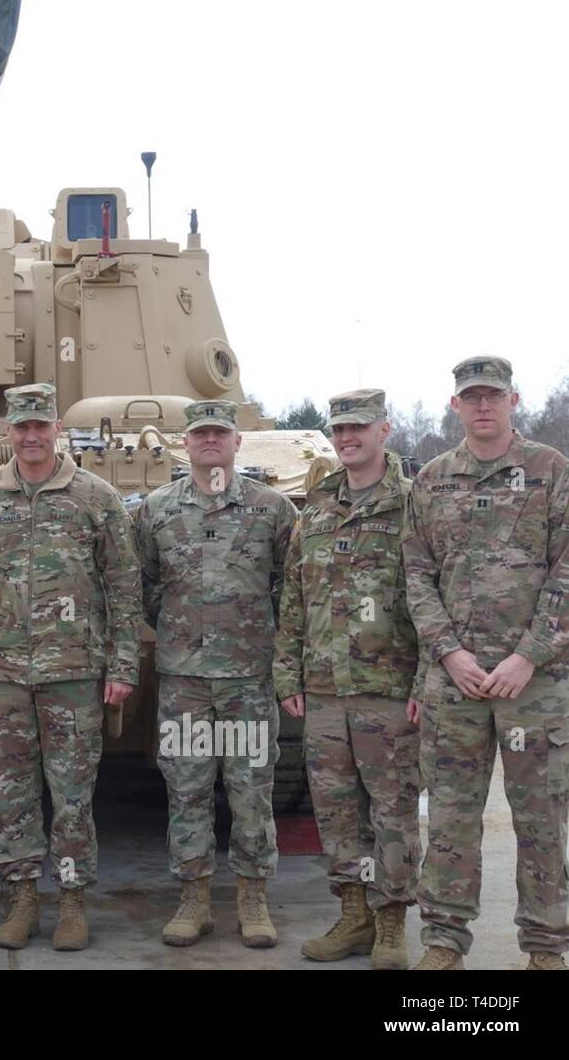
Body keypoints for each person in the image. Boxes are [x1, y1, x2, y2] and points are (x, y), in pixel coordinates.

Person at [0, 382, 140, 951]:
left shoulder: (95, 496)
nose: (31, 436)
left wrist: (122, 665)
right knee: (12, 791)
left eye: (41, 426)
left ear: (57, 429)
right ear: (9, 433)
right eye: (22, 427)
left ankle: (73, 900)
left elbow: (123, 587)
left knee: (74, 792)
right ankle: (22, 898)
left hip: (75, 672)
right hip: (4, 671)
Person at [403, 355, 569, 971]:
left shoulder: (552, 472)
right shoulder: (434, 480)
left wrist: (528, 656)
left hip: (536, 683)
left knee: (541, 818)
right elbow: (416, 573)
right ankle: (444, 941)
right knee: (449, 816)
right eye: (471, 397)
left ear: (513, 401)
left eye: (492, 396)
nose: (482, 406)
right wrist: (448, 652)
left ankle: (546, 949)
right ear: (455, 406)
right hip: (456, 682)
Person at [133, 399, 297, 948]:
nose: (209, 442)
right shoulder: (156, 510)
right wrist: (183, 631)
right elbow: (146, 585)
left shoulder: (272, 510)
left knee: (252, 789)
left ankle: (252, 897)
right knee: (187, 788)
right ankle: (194, 897)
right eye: (200, 433)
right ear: (186, 443)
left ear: (236, 442)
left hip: (248, 678)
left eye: (219, 433)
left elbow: (288, 588)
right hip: (184, 680)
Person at [273, 389, 421, 970]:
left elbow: (434, 600)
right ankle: (354, 915)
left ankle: (391, 924)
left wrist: (428, 683)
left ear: (384, 429)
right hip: (326, 690)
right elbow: (293, 600)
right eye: (338, 430)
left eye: (358, 427)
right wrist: (288, 671)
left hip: (391, 690)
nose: (346, 438)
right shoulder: (314, 512)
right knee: (336, 813)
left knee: (392, 811)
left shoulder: (413, 506)